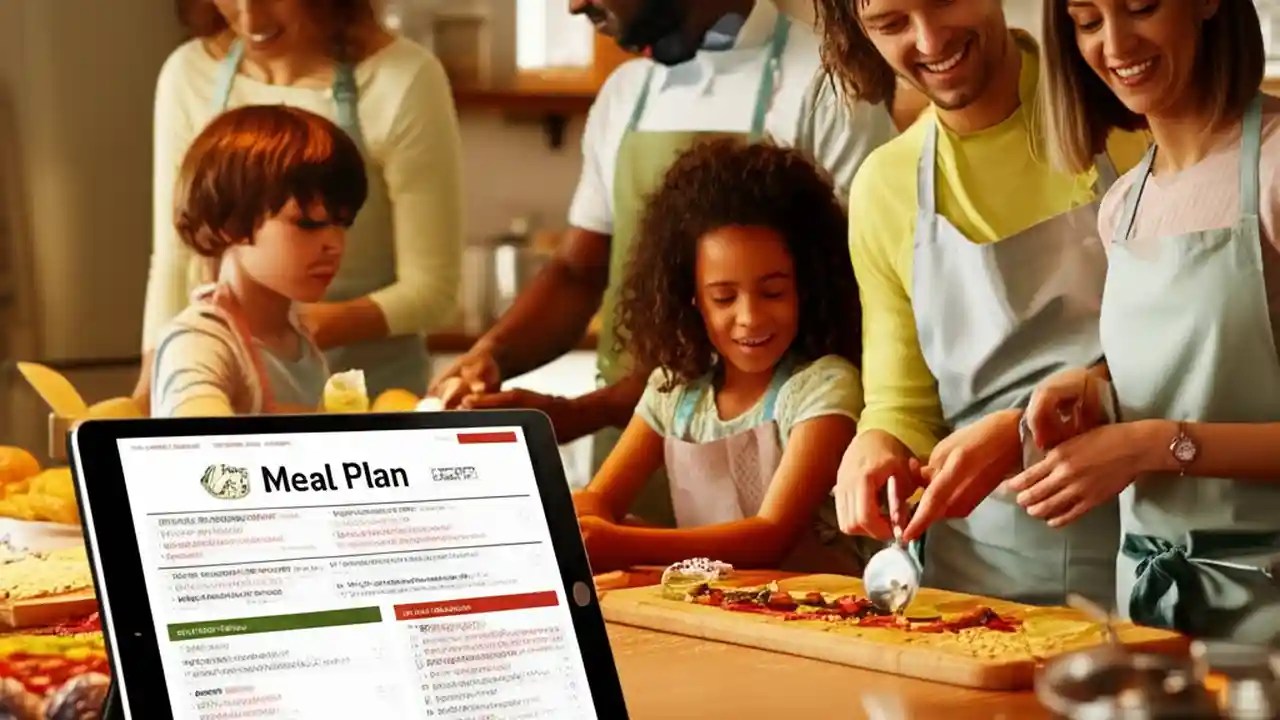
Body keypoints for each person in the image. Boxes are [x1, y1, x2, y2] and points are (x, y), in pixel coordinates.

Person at [429, 0, 896, 524]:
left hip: (781, 452)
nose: (575, 5)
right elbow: (577, 270)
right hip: (631, 440)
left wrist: (585, 411)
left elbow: (863, 296)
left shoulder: (829, 85)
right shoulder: (627, 93)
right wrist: (490, 355)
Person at [816, 0, 1149, 606]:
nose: (928, 39)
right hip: (975, 590)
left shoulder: (1131, 114)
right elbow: (902, 401)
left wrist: (1024, 431)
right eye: (890, 24)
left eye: (943, 1)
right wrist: (876, 443)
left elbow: (1200, 347)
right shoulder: (885, 185)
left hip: (1144, 561)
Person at [1013, 0, 1280, 642]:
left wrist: (1153, 446)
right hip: (1153, 606)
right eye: (1087, 21)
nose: (1115, 42)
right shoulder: (1122, 207)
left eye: (1139, 7)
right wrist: (1094, 394)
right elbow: (1207, 370)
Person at [140, 0, 463, 402]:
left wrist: (285, 329)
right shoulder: (188, 73)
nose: (249, 18)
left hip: (377, 395)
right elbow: (174, 258)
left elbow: (433, 289)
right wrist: (148, 392)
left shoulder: (403, 79)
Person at [572, 139, 863, 572]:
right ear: (690, 299)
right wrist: (578, 517)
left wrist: (626, 542)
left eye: (773, 292)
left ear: (808, 285)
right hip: (719, 614)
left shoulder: (824, 387)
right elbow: (601, 499)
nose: (749, 317)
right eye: (724, 297)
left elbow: (770, 536)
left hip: (818, 616)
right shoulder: (674, 390)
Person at [151, 105, 366, 418]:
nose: (334, 244)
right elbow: (197, 453)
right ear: (231, 223)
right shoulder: (201, 342)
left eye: (342, 224)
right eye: (307, 224)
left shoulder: (295, 338)